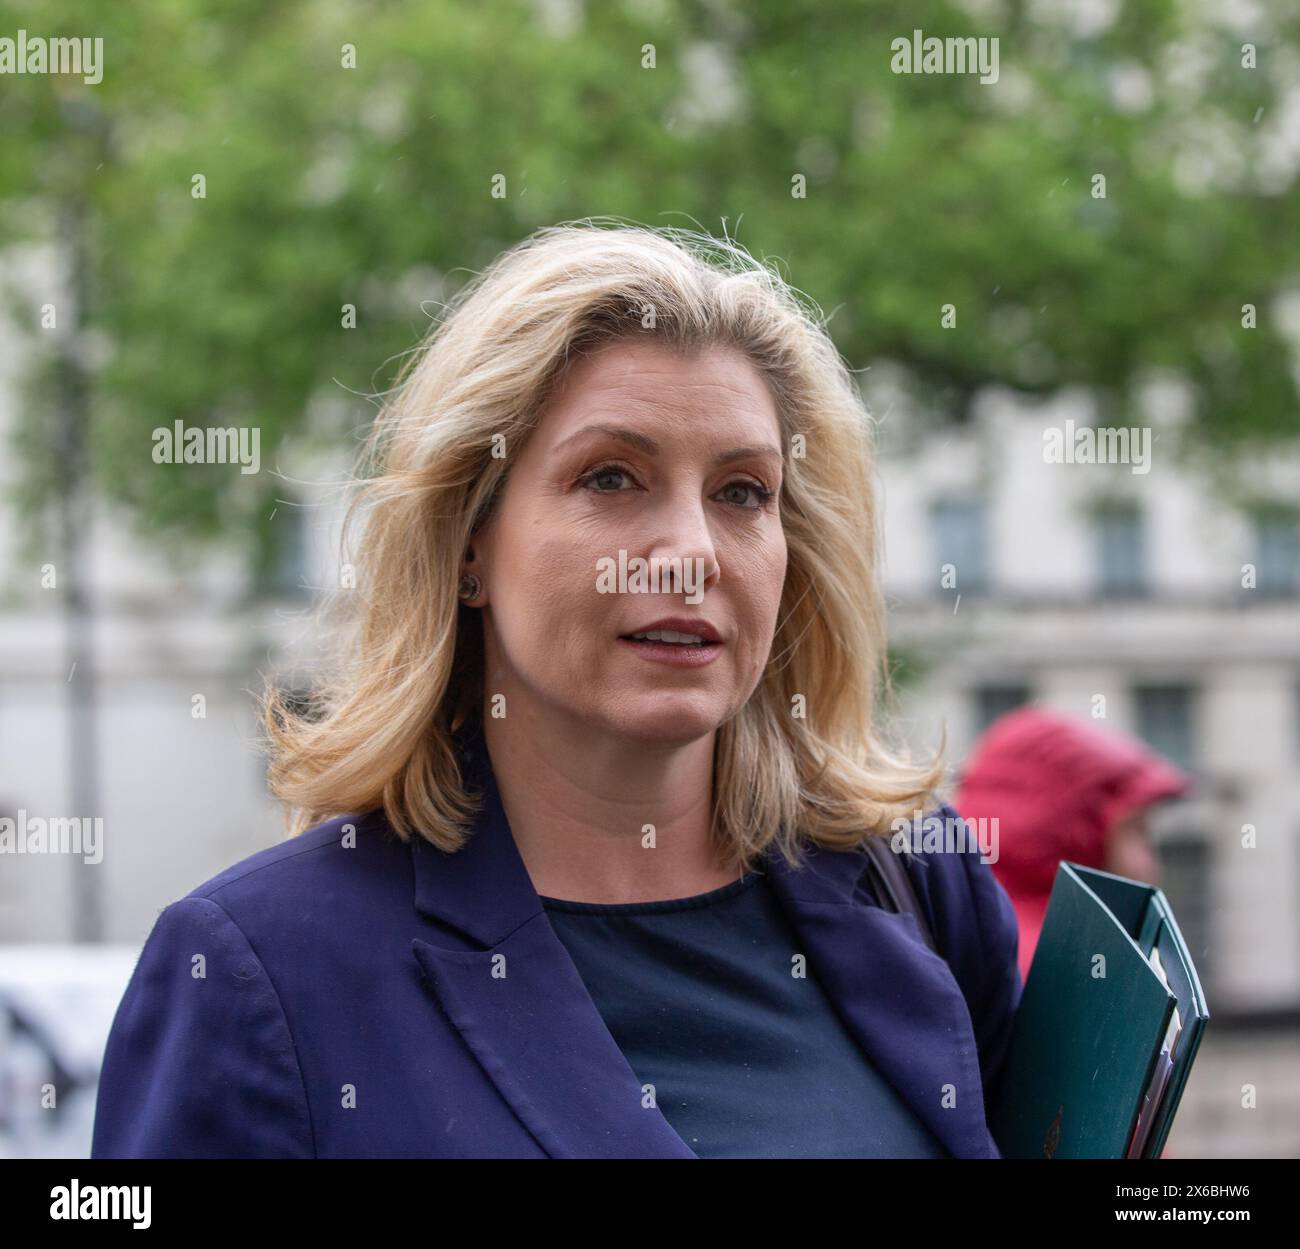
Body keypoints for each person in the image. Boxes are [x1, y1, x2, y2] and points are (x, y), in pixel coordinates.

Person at [91, 221, 1023, 1159]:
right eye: (611, 477)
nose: (691, 554)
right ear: (468, 543)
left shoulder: (918, 881)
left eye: (742, 491)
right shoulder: (261, 970)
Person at [954, 705, 1193, 984]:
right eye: (1135, 829)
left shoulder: (960, 928)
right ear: (1073, 830)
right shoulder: (1072, 969)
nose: (1149, 865)